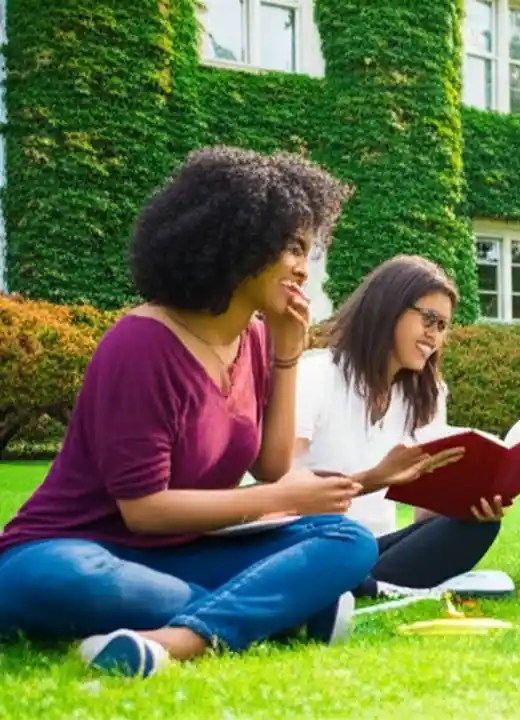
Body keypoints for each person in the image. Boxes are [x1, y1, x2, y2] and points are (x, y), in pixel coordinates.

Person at [0, 147, 381, 679]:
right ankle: (279, 611)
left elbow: (272, 466)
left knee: (348, 540)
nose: (302, 267)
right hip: (72, 550)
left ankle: (175, 639)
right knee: (73, 580)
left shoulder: (252, 338)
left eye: (308, 251)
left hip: (180, 554)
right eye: (293, 247)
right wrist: (278, 500)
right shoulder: (140, 344)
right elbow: (143, 511)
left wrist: (288, 351)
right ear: (239, 238)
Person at [292, 255, 503, 599]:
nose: (434, 337)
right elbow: (281, 494)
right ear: (387, 309)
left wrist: (471, 500)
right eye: (429, 320)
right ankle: (358, 584)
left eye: (443, 327)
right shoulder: (314, 376)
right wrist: (375, 477)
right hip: (313, 541)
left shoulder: (426, 395)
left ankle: (366, 585)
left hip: (376, 550)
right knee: (347, 547)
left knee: (479, 528)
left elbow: (423, 517)